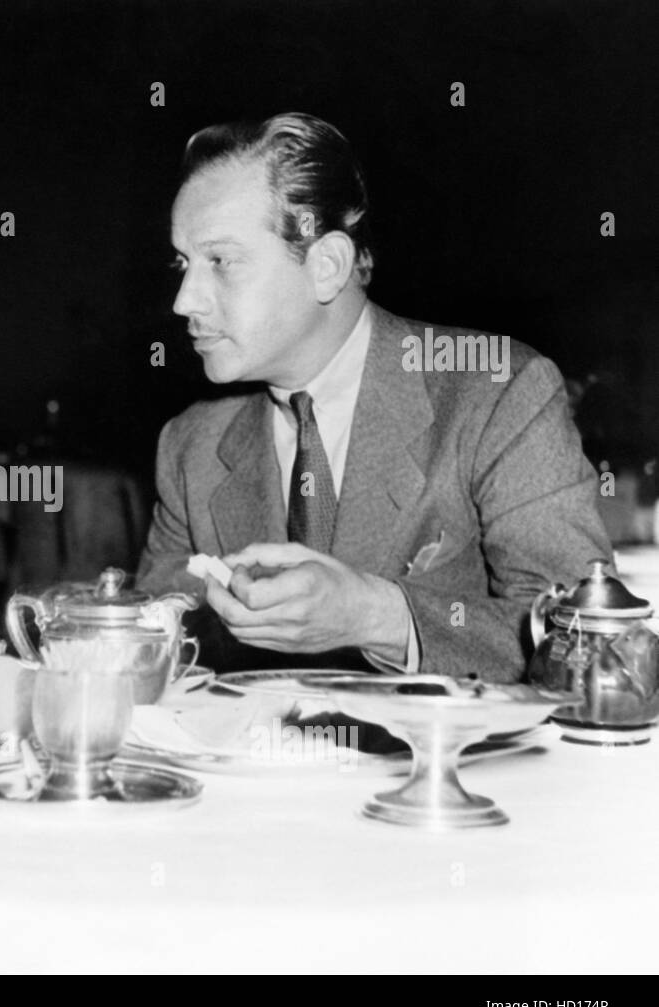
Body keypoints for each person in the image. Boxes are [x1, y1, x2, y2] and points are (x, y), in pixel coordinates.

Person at [137, 114, 612, 681]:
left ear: (327, 266)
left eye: (221, 261)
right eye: (183, 264)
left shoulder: (498, 392)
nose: (184, 300)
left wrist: (378, 616)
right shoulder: (191, 445)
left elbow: (587, 646)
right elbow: (152, 647)